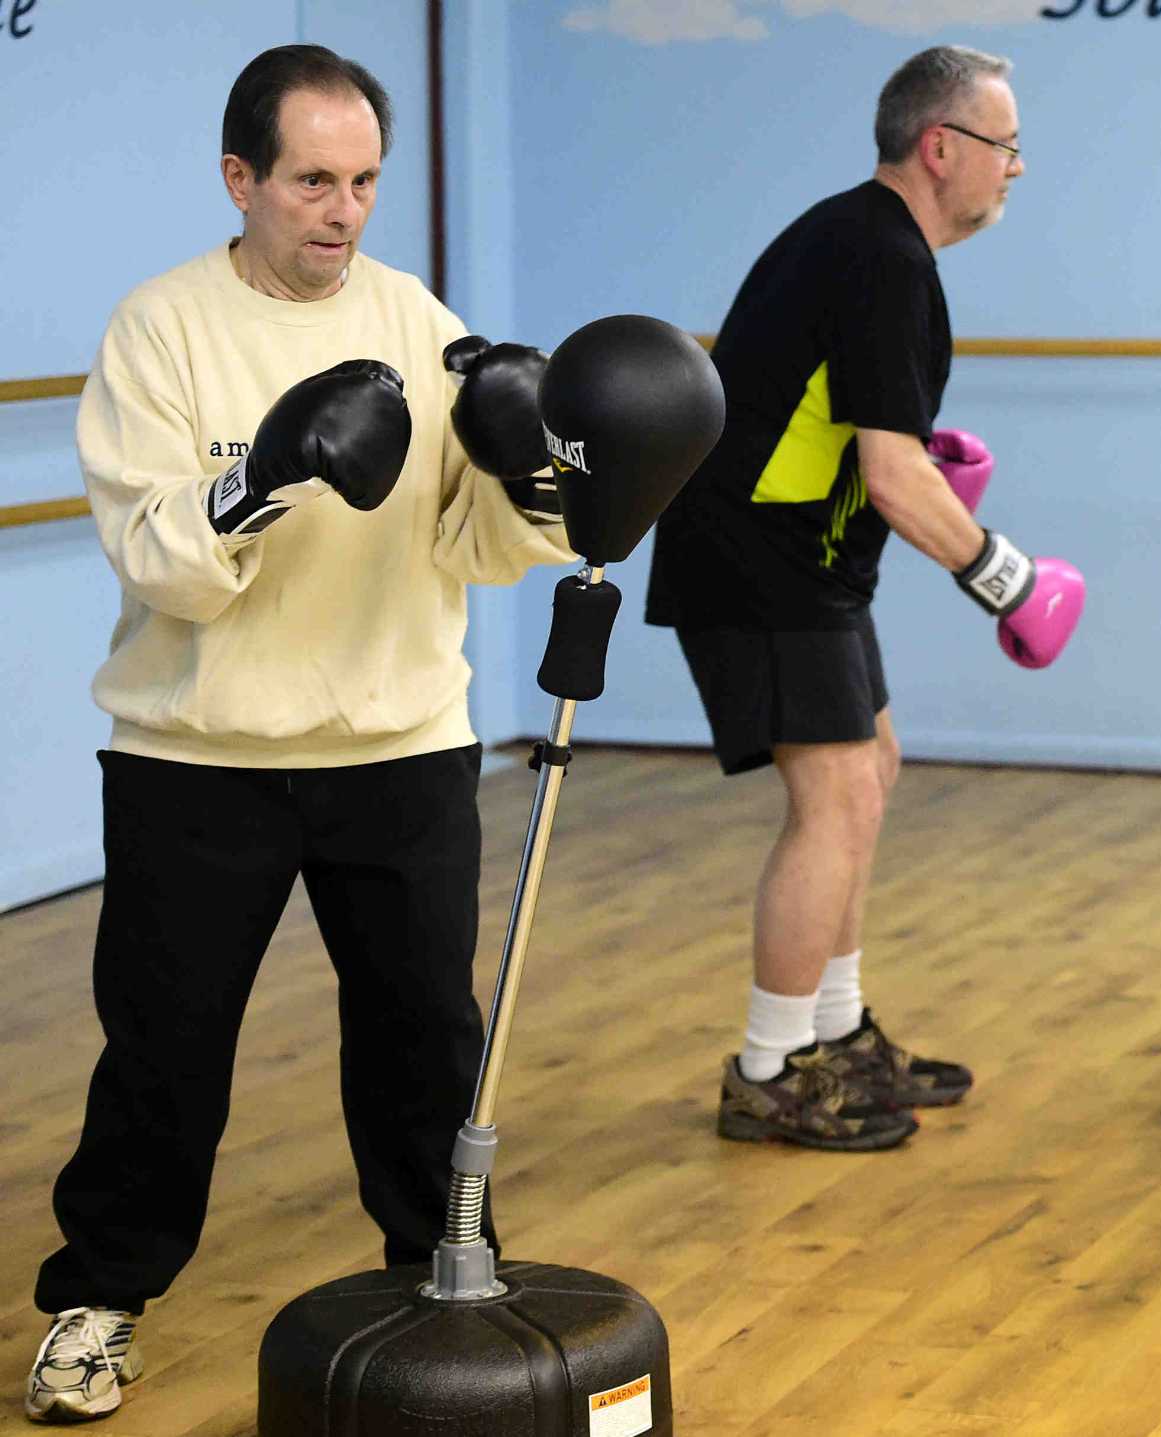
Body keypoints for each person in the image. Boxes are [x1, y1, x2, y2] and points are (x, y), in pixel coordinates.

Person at [25, 45, 575, 1422]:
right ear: (242, 178)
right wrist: (268, 477)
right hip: (197, 757)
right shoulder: (162, 330)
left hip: (397, 744)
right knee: (163, 1048)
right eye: (315, 181)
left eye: (365, 182)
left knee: (424, 1039)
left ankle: (447, 1272)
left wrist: (526, 467)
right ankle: (99, 1297)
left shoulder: (416, 319)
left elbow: (481, 545)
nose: (344, 211)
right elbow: (156, 562)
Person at [644, 45, 1083, 1152]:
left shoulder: (868, 243)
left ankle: (832, 1034)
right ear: (942, 148)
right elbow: (892, 481)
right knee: (832, 801)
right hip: (759, 559)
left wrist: (932, 469)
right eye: (1005, 146)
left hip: (804, 559)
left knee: (868, 776)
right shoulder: (878, 256)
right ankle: (771, 1065)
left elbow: (863, 437)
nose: (1015, 169)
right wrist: (1005, 577)